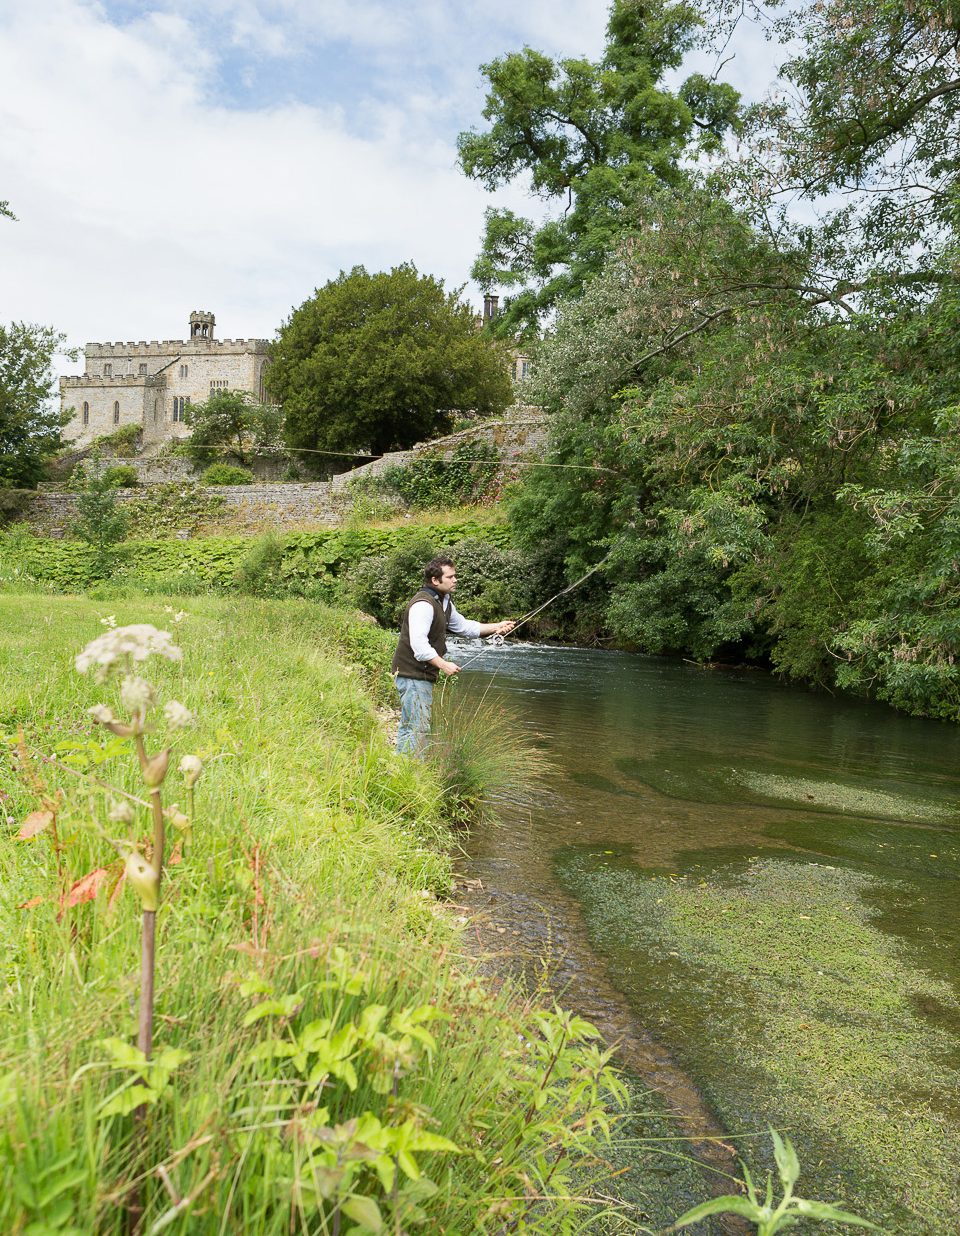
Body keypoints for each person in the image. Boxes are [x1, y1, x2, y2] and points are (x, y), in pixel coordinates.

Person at [392, 555, 515, 755]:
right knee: (416, 727)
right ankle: (406, 773)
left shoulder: (444, 602)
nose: (455, 580)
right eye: (450, 577)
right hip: (412, 675)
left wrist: (497, 626)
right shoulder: (423, 605)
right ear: (435, 580)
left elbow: (465, 627)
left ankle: (406, 771)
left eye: (455, 576)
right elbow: (419, 646)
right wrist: (443, 665)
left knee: (416, 726)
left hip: (420, 676)